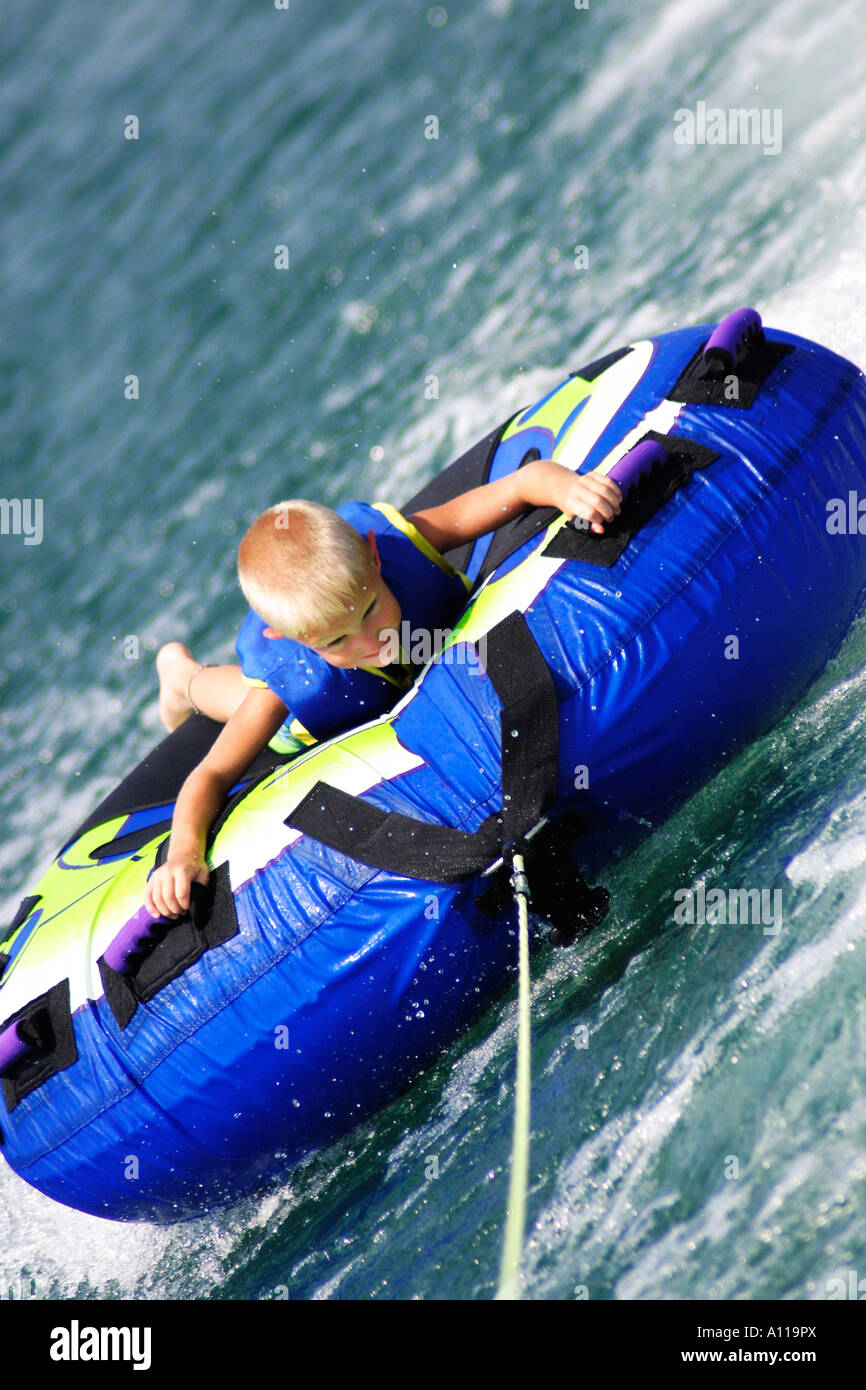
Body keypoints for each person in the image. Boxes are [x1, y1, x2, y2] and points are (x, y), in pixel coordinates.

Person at [145, 457, 622, 919]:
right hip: (305, 717)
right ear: (294, 640)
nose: (372, 642)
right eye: (337, 639)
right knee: (239, 698)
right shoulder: (291, 675)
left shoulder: (405, 546)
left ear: (373, 556)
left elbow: (519, 486)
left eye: (371, 608)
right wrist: (184, 852)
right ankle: (182, 675)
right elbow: (210, 775)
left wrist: (566, 489)